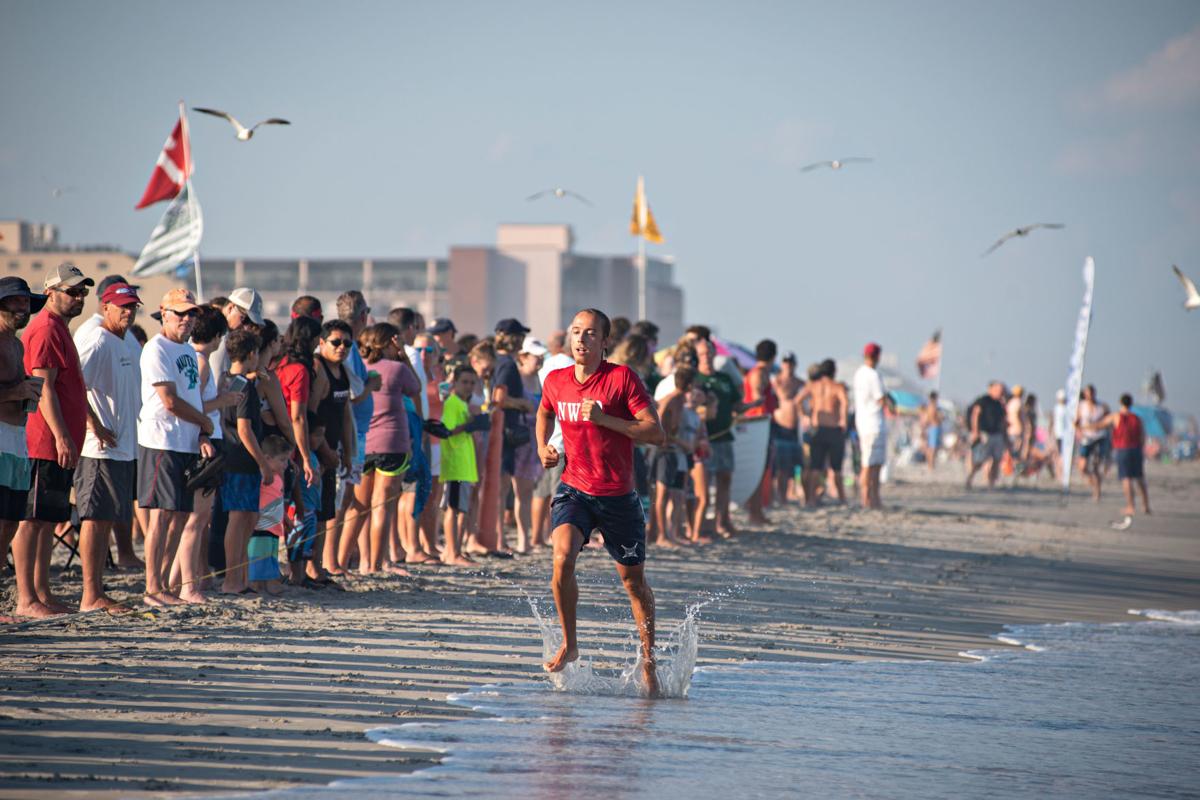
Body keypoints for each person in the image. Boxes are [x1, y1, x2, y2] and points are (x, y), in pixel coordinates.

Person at [537, 308, 665, 696]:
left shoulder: (622, 378)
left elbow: (656, 433)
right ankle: (570, 643)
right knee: (561, 558)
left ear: (604, 342)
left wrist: (606, 419)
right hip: (574, 488)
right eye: (576, 332)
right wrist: (542, 446)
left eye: (591, 333)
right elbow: (543, 412)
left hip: (618, 497)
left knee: (634, 582)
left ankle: (648, 661)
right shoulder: (556, 380)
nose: (581, 339)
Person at [13, 265, 92, 617]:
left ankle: (41, 592)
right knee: (31, 520)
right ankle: (26, 597)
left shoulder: (59, 328)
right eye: (72, 291)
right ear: (50, 292)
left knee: (47, 518)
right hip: (42, 441)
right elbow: (44, 389)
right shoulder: (45, 328)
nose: (79, 298)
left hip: (58, 442)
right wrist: (61, 436)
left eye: (82, 292)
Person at [137, 289, 216, 607]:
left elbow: (192, 396)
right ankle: (152, 587)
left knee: (180, 516)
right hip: (161, 441)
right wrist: (206, 423)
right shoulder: (157, 348)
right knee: (160, 516)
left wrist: (201, 434)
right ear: (163, 313)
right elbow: (169, 401)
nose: (187, 319)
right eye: (180, 313)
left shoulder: (185, 350)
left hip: (185, 442)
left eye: (192, 314)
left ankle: (164, 586)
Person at [73, 281, 143, 611]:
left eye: (132, 306)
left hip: (123, 446)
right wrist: (95, 424)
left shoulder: (126, 340)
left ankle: (97, 590)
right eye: (122, 306)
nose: (128, 312)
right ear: (106, 307)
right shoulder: (97, 339)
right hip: (98, 448)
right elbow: (74, 384)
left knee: (106, 520)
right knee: (94, 518)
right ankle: (90, 594)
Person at [170, 306, 237, 603]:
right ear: (218, 336)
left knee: (195, 520)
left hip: (206, 439)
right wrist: (223, 399)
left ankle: (172, 583)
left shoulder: (195, 359)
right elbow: (195, 407)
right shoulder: (200, 361)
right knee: (196, 521)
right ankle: (187, 586)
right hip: (205, 442)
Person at [0, 278, 47, 618]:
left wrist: (25, 390)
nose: (21, 308)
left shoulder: (15, 345)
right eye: (13, 302)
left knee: (11, 522)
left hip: (18, 439)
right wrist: (13, 393)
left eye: (25, 302)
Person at [358, 322, 421, 574]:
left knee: (361, 506)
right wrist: (404, 356)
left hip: (363, 441)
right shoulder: (396, 368)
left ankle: (364, 561)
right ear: (390, 342)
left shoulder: (360, 367)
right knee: (382, 505)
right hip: (392, 442)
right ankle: (378, 562)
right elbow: (415, 388)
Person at [218, 328, 274, 595]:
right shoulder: (245, 387)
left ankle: (239, 577)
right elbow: (244, 430)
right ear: (252, 354)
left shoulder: (226, 380)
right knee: (239, 520)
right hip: (241, 459)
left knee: (247, 519)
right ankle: (232, 580)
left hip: (232, 458)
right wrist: (263, 463)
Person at [334, 291, 380, 573]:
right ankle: (334, 560)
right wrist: (371, 385)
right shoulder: (347, 347)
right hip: (350, 433)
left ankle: (338, 559)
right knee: (344, 497)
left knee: (348, 497)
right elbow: (351, 393)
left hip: (357, 431)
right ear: (363, 316)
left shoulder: (347, 345)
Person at [310, 320, 356, 579]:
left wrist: (348, 453)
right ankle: (310, 567)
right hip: (317, 450)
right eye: (336, 342)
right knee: (315, 511)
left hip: (333, 450)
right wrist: (325, 449)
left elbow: (346, 416)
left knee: (327, 511)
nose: (342, 348)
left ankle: (318, 566)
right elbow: (311, 414)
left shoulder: (343, 372)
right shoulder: (319, 369)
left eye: (347, 343)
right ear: (321, 343)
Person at [493, 318, 537, 553]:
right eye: (518, 336)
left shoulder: (501, 361)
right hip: (506, 431)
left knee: (502, 489)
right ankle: (499, 539)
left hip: (503, 430)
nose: (521, 340)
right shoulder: (507, 365)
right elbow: (499, 398)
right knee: (501, 489)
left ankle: (499, 539)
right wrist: (523, 404)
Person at [694, 335, 744, 535]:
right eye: (702, 353)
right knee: (703, 489)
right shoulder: (695, 379)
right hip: (702, 440)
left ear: (715, 353)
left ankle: (722, 521)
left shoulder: (724, 379)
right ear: (698, 355)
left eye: (709, 352)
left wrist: (755, 406)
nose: (706, 356)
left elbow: (736, 405)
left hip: (725, 437)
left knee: (725, 480)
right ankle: (698, 526)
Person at [440, 365, 486, 566]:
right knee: (453, 509)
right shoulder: (452, 403)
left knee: (462, 510)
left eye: (472, 383)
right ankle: (452, 552)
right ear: (455, 383)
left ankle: (456, 550)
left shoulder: (463, 404)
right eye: (464, 382)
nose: (468, 386)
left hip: (465, 465)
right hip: (454, 464)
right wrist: (471, 424)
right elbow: (448, 430)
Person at [532, 334, 575, 545]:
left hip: (545, 438)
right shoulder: (574, 368)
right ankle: (553, 536)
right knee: (558, 494)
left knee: (540, 491)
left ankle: (535, 537)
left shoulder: (546, 364)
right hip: (563, 439)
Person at [1090, 394, 1151, 521]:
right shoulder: (1137, 418)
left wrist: (1081, 426)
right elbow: (1143, 437)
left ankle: (1131, 506)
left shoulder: (1116, 416)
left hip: (1123, 449)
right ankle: (1146, 506)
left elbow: (1099, 425)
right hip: (1136, 450)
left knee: (1126, 479)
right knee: (1140, 478)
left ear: (1120, 403)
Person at [652, 366, 694, 548]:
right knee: (661, 494)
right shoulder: (671, 400)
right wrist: (671, 440)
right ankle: (661, 536)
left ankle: (667, 533)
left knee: (670, 493)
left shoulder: (679, 401)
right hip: (664, 451)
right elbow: (658, 420)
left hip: (671, 451)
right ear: (690, 384)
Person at [247, 435, 293, 596]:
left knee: (270, 555)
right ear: (267, 458)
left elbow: (278, 500)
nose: (286, 465)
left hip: (273, 526)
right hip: (261, 525)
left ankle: (268, 582)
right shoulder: (262, 476)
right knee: (258, 556)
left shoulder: (278, 477)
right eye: (282, 460)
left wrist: (285, 517)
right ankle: (256, 583)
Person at [801, 358, 849, 506]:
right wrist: (844, 420)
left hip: (817, 429)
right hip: (834, 429)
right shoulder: (838, 387)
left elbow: (797, 400)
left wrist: (805, 416)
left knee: (815, 467)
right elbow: (845, 402)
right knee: (836, 468)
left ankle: (810, 499)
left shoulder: (813, 386)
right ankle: (842, 499)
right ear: (834, 372)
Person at [740, 339, 777, 524]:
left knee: (762, 470)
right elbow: (757, 398)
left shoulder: (758, 372)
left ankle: (757, 511)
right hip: (758, 425)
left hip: (757, 424)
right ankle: (754, 512)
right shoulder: (759, 373)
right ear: (773, 356)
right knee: (759, 469)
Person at [853, 343, 892, 509]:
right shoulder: (873, 375)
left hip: (863, 423)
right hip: (873, 423)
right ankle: (869, 499)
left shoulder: (859, 373)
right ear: (877, 356)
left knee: (871, 463)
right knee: (870, 465)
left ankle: (872, 498)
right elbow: (880, 398)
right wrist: (891, 406)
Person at [769, 353, 803, 505]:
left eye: (791, 363)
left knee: (791, 467)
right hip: (779, 427)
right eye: (786, 363)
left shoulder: (799, 383)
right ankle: (779, 496)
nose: (788, 366)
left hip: (795, 429)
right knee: (779, 467)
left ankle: (786, 496)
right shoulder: (776, 382)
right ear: (782, 364)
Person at [209, 287, 264, 380]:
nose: (246, 327)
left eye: (252, 324)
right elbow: (216, 385)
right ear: (230, 308)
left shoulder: (221, 334)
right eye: (245, 319)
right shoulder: (221, 340)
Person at [966, 381, 1007, 490]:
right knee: (980, 459)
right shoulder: (983, 400)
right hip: (985, 434)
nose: (1001, 392)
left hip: (997, 434)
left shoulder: (1000, 404)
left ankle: (991, 483)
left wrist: (1005, 436)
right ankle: (970, 478)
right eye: (998, 390)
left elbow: (1003, 421)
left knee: (996, 460)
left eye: (1002, 390)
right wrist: (975, 431)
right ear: (991, 389)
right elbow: (975, 414)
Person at [1075, 384, 1109, 502]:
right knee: (1082, 467)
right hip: (1086, 438)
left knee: (1095, 467)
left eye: (1091, 393)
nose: (1090, 395)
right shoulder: (1081, 406)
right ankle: (1092, 481)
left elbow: (1108, 421)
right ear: (1085, 394)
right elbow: (1076, 422)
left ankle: (1097, 492)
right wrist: (1079, 432)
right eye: (1087, 393)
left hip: (1099, 438)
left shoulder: (1102, 406)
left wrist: (1099, 427)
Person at [920, 391, 944, 472]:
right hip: (935, 427)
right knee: (933, 448)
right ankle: (931, 465)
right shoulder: (934, 407)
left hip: (931, 427)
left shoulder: (928, 407)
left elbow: (925, 419)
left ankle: (930, 464)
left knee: (930, 447)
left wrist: (924, 428)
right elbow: (936, 417)